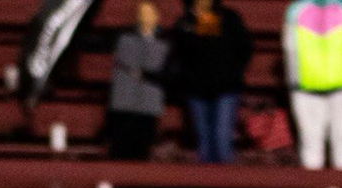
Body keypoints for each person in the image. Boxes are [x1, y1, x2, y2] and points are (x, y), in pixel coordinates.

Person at [283, 0, 342, 171]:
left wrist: (293, 83)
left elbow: (289, 48)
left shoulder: (295, 10)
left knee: (312, 145)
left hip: (310, 88)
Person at [169, 0, 253, 165]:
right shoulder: (185, 23)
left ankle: (226, 186)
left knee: (222, 139)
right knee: (204, 144)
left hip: (225, 88)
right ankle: (205, 187)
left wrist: (233, 72)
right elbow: (179, 55)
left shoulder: (229, 18)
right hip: (196, 90)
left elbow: (245, 47)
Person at [108, 1, 170, 160]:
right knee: (121, 147)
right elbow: (125, 63)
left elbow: (164, 69)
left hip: (148, 101)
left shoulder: (165, 41)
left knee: (142, 146)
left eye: (149, 13)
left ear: (157, 16)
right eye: (141, 14)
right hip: (125, 102)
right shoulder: (124, 38)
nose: (145, 18)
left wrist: (145, 74)